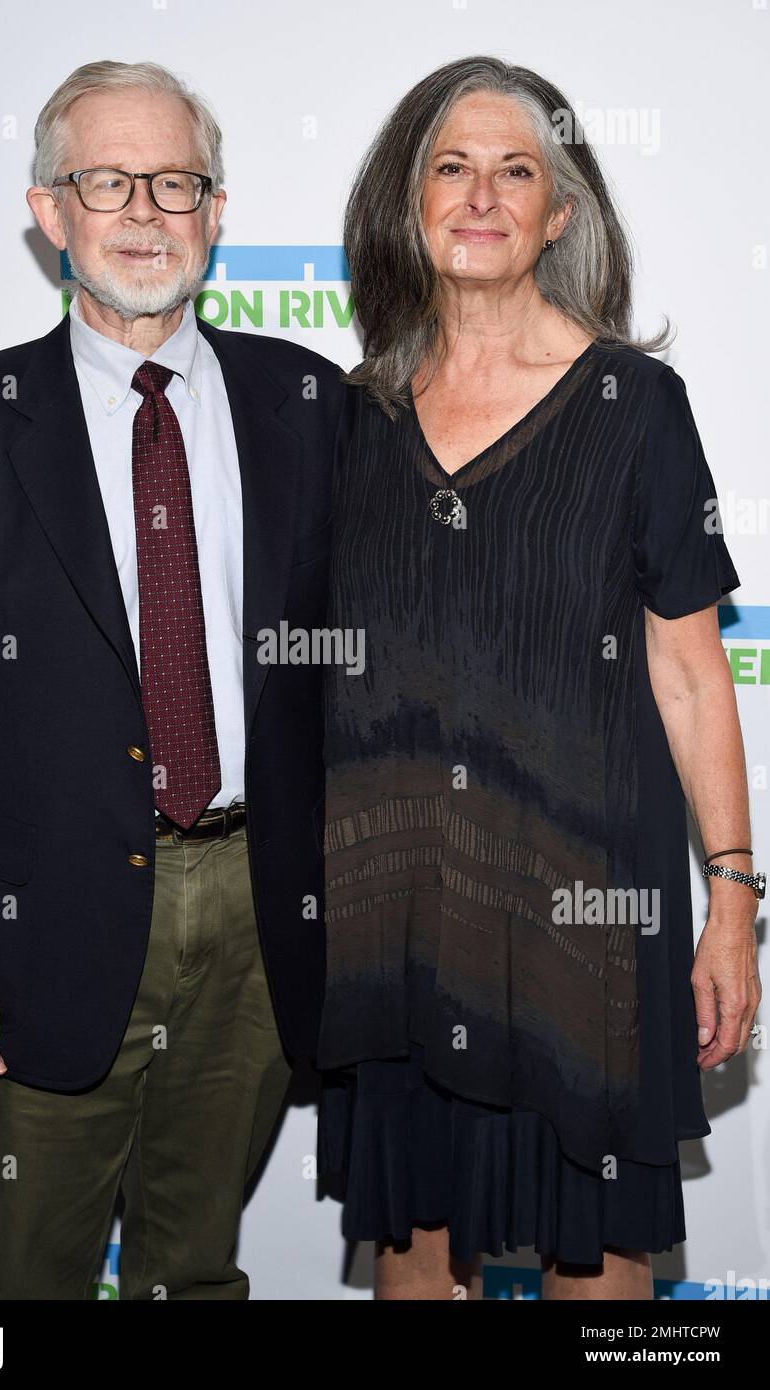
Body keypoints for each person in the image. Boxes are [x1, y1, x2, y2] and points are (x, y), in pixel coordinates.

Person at [0, 59, 343, 1300]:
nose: (145, 212)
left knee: (195, 1269)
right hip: (47, 928)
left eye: (176, 182)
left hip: (256, 915)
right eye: (107, 181)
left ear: (218, 208)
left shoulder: (308, 400)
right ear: (51, 212)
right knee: (25, 1279)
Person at [316, 55, 763, 1301]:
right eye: (450, 167)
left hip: (585, 917)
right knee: (412, 1243)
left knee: (603, 1256)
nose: (481, 194)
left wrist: (734, 898)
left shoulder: (638, 408)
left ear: (560, 215)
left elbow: (687, 671)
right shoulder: (346, 418)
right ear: (408, 204)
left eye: (517, 171)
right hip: (396, 905)